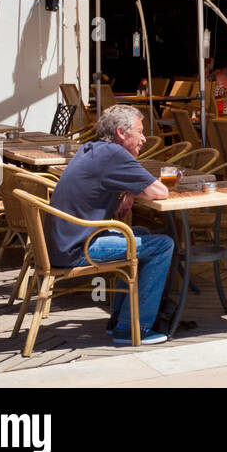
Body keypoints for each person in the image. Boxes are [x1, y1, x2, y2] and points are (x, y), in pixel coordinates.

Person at [46, 105, 172, 345]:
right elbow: (160, 191)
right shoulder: (115, 155)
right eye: (140, 131)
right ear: (121, 133)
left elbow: (110, 180)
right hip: (76, 250)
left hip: (60, 243)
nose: (144, 138)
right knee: (162, 245)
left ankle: (118, 320)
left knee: (142, 234)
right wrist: (133, 189)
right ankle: (133, 328)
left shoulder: (91, 149)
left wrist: (129, 190)